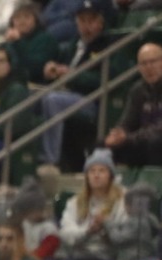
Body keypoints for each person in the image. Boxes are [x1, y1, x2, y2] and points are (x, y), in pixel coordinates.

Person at [38, 1, 118, 166]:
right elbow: (60, 66)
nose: (86, 26)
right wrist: (51, 70)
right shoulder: (74, 44)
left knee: (52, 100)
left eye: (91, 21)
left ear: (101, 22)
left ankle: (50, 159)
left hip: (91, 101)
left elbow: (106, 78)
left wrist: (74, 76)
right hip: (67, 94)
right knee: (33, 96)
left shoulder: (108, 44)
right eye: (82, 21)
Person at [51, 150, 148, 260]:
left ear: (110, 175)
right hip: (79, 254)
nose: (96, 175)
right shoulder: (75, 202)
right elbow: (66, 233)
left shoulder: (123, 200)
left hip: (107, 257)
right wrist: (88, 231)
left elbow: (126, 231)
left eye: (102, 171)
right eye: (92, 171)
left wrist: (106, 229)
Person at [105, 43, 162, 168]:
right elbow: (127, 122)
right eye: (143, 64)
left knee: (155, 143)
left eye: (153, 62)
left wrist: (129, 138)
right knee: (108, 146)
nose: (148, 67)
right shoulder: (138, 90)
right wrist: (117, 135)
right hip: (145, 142)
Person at [0, 2, 63, 85]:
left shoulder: (46, 40)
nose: (22, 21)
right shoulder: (8, 44)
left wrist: (17, 43)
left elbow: (35, 69)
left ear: (36, 20)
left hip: (36, 85)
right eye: (17, 18)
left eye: (27, 17)